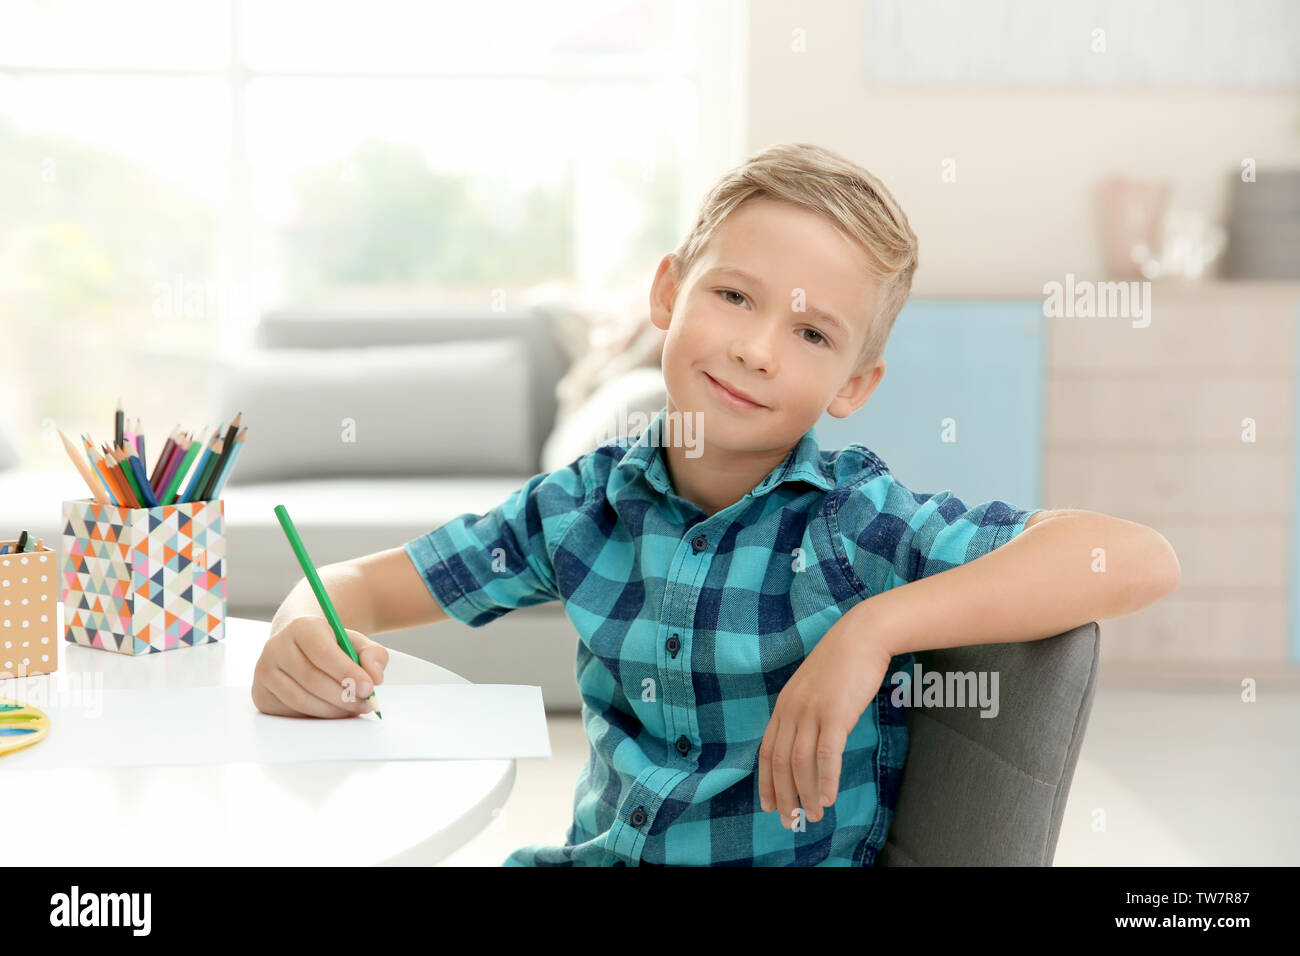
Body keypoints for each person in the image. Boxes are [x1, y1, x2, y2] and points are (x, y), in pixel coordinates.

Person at [251, 142, 1181, 866]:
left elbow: (1138, 558)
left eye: (812, 332)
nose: (759, 350)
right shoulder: (582, 506)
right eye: (735, 295)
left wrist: (873, 630)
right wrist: (303, 620)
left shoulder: (856, 525)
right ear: (668, 292)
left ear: (855, 384)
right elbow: (359, 588)